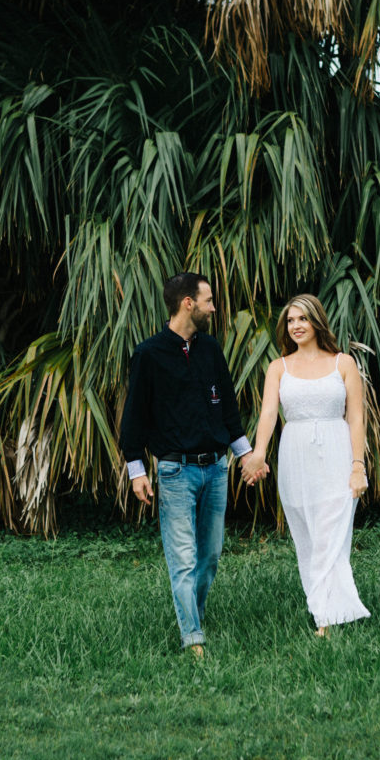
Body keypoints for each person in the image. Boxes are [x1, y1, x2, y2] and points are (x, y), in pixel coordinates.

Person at [120, 272, 265, 656]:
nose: (214, 307)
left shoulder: (210, 349)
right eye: (209, 301)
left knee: (211, 556)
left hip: (216, 468)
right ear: (188, 303)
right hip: (175, 471)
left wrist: (245, 454)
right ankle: (193, 638)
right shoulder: (149, 354)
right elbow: (133, 415)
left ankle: (193, 616)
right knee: (183, 558)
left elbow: (229, 409)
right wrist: (137, 470)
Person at [242, 293, 370, 635]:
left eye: (302, 319)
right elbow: (269, 414)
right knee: (309, 536)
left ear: (316, 320)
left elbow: (356, 418)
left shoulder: (343, 363)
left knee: (332, 530)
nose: (295, 326)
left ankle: (324, 617)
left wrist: (358, 466)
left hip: (337, 452)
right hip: (296, 456)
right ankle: (326, 605)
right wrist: (258, 453)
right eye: (290, 320)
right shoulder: (278, 367)